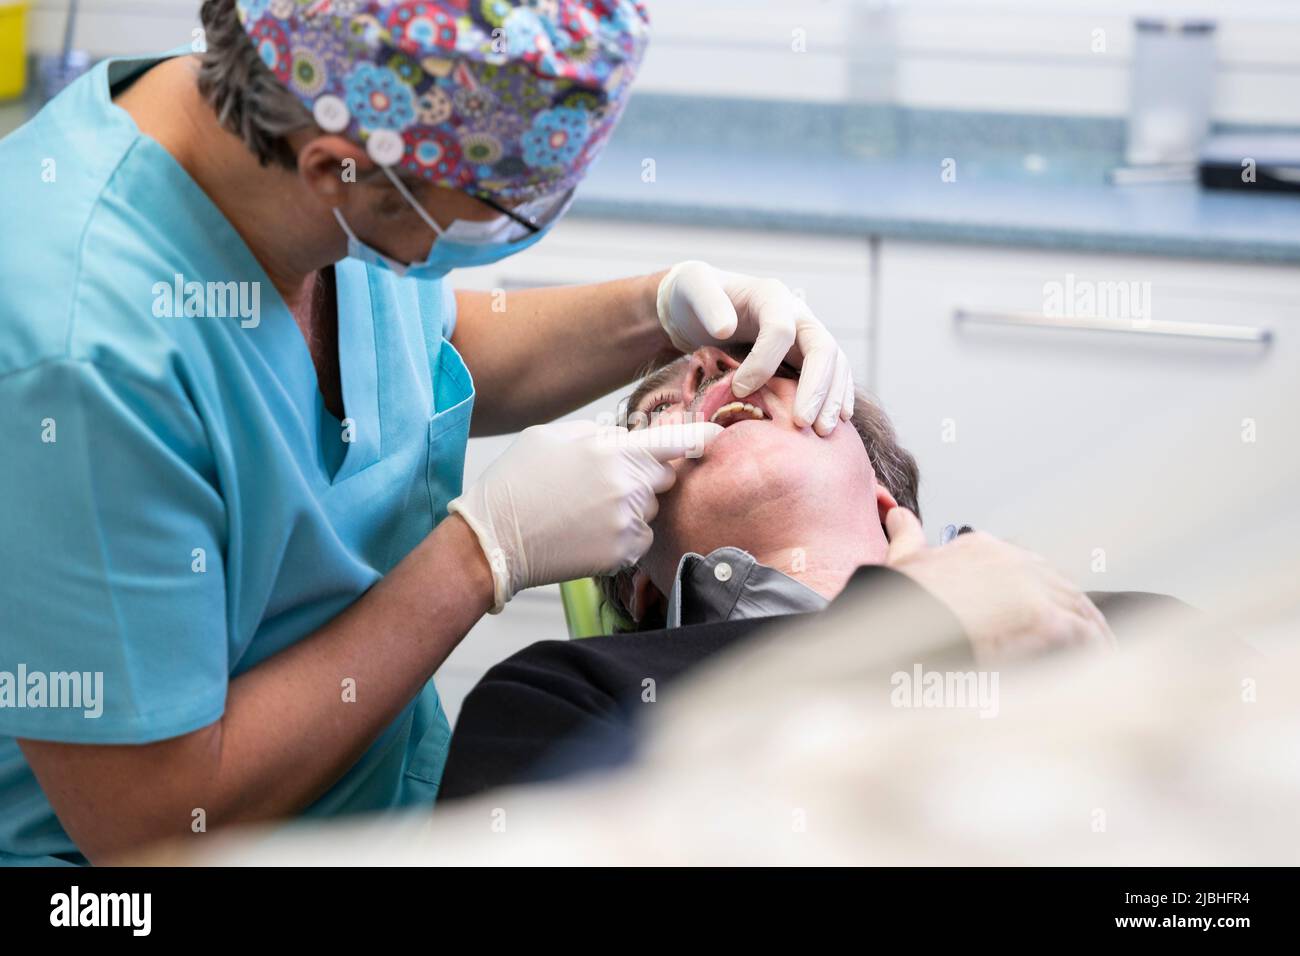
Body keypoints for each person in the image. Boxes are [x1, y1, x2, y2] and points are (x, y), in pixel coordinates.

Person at [0, 1, 860, 865]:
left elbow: (423, 349)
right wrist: (480, 557)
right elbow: (154, 823)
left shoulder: (310, 92)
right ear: (335, 170)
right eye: (495, 208)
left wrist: (660, 311)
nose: (714, 375)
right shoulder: (78, 362)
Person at [438, 346, 1197, 800]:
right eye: (665, 407)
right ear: (639, 577)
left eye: (787, 370)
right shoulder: (561, 697)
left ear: (879, 486)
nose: (722, 372)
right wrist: (902, 628)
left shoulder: (1141, 628)